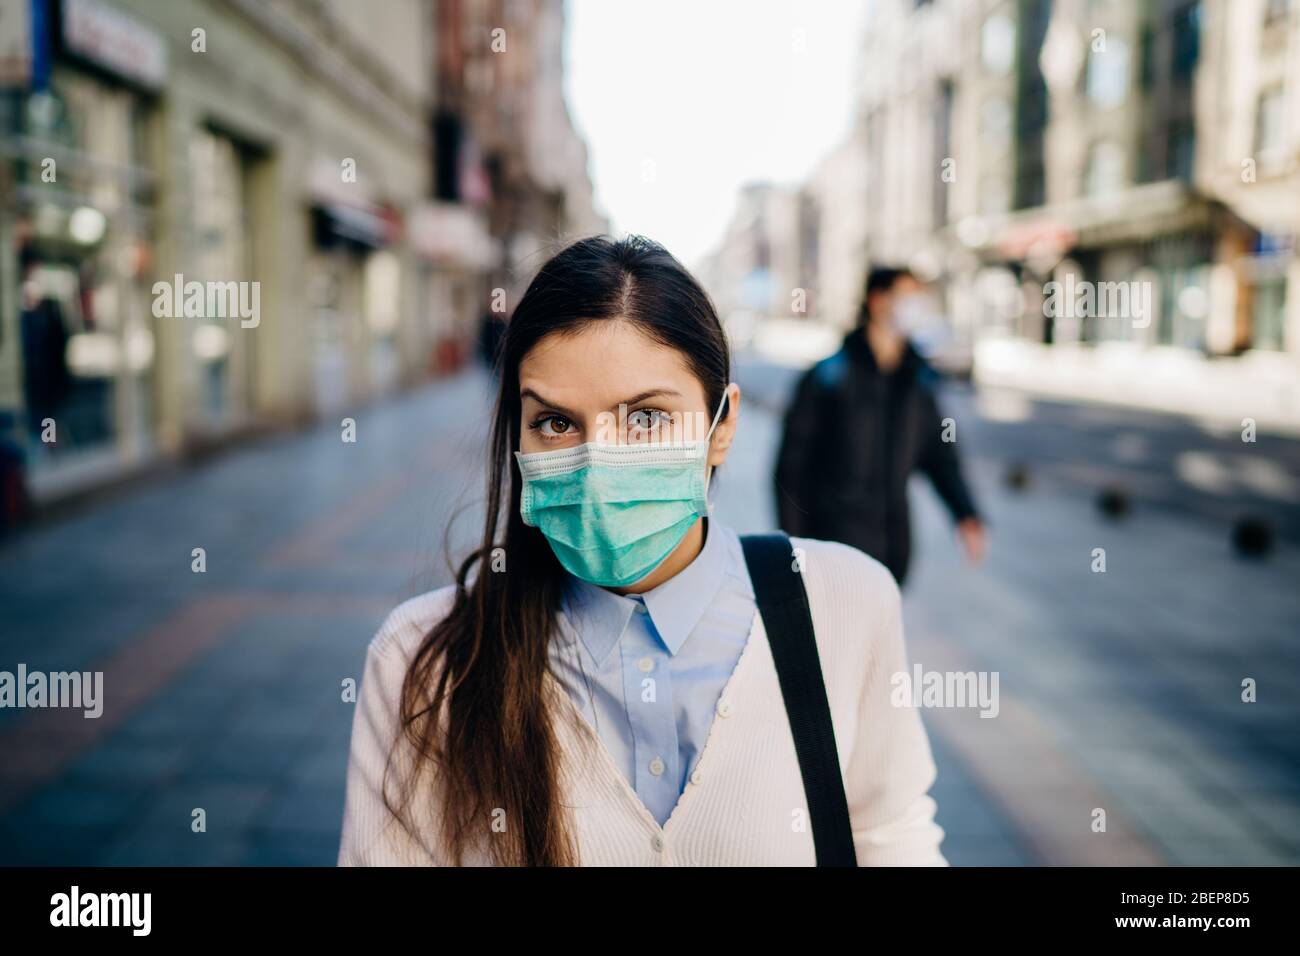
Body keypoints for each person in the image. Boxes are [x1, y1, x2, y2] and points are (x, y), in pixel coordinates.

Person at [338, 235, 946, 866]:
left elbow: (891, 840)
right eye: (556, 422)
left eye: (646, 418)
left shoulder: (845, 603)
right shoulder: (423, 662)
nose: (600, 461)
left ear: (723, 427)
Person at [774, 266, 986, 587]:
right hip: (832, 553)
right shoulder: (829, 377)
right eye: (906, 298)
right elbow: (790, 469)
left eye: (919, 299)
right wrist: (795, 546)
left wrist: (966, 514)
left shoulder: (918, 382)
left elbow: (941, 456)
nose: (915, 308)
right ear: (877, 301)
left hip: (892, 552)